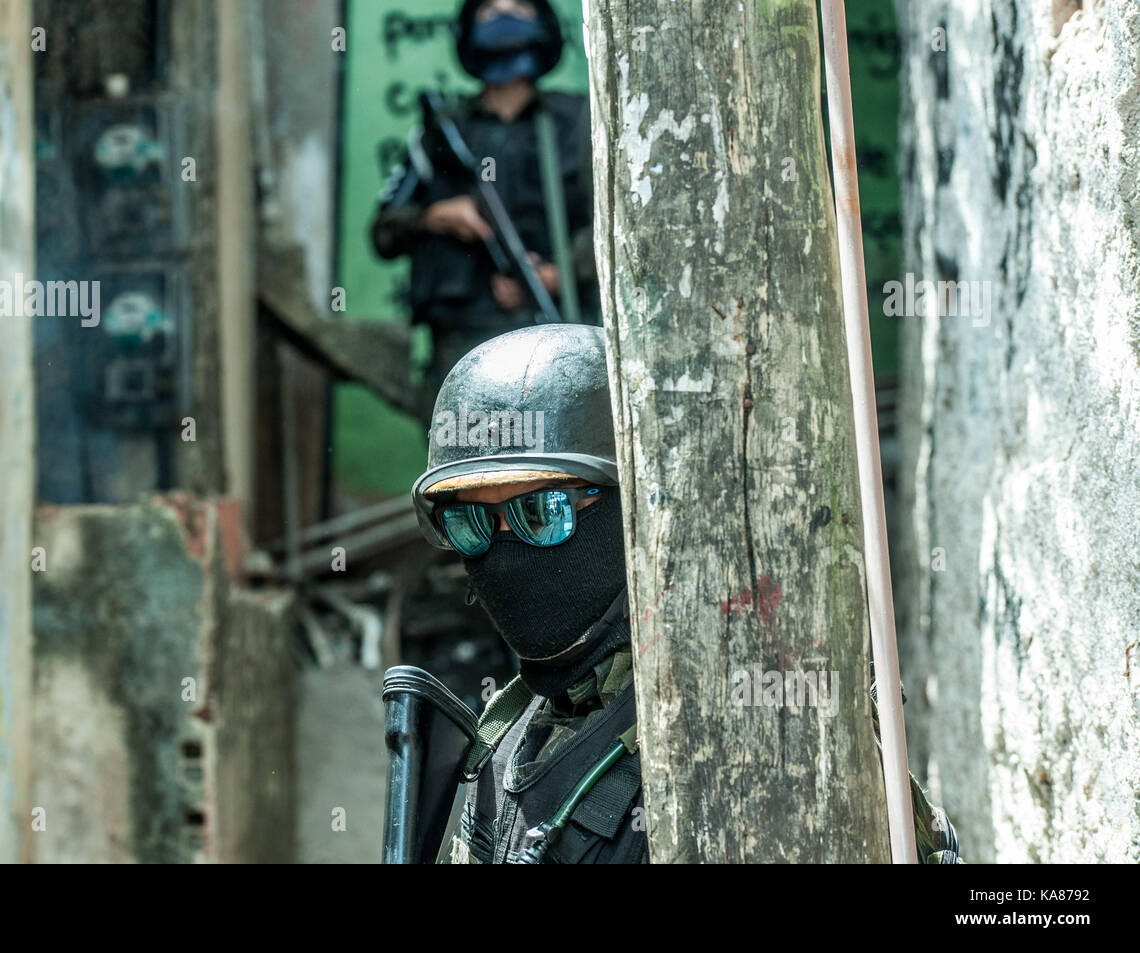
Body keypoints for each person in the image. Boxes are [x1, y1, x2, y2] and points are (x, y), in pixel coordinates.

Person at [410, 323, 964, 864]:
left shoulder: (744, 745)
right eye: (472, 522)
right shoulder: (516, 728)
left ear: (633, 509)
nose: (506, 555)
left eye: (542, 511)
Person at [371, 0, 600, 420]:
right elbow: (383, 233)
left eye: (519, 7)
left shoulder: (580, 122)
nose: (505, 18)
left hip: (562, 336)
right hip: (463, 346)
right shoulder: (441, 132)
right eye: (492, 9)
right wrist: (434, 217)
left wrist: (557, 275)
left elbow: (615, 229)